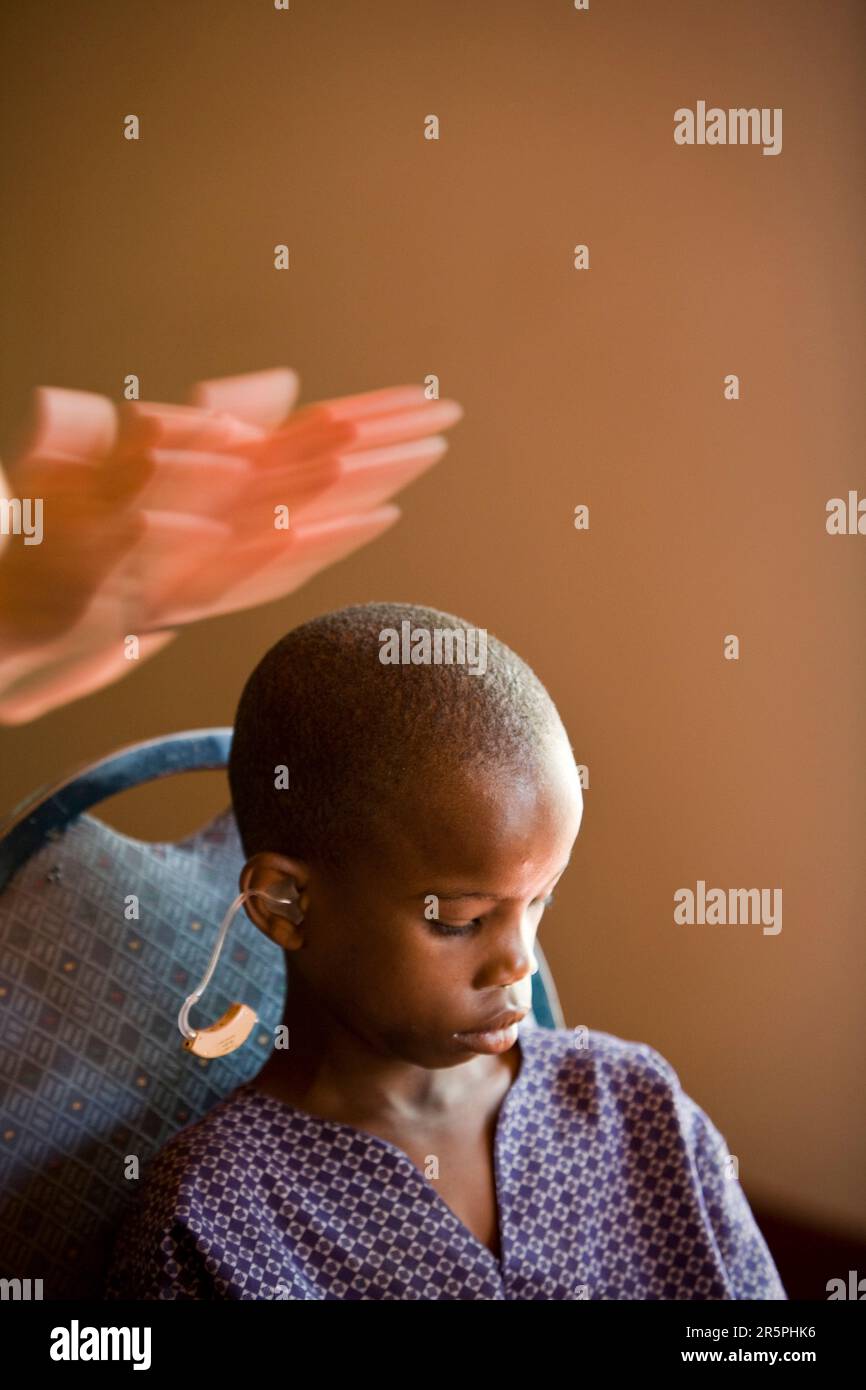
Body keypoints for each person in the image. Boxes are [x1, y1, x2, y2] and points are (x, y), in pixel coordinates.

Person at [103, 601, 787, 1300]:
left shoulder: (635, 1111)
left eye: (541, 899)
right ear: (286, 903)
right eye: (461, 920)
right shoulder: (215, 1219)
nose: (518, 961)